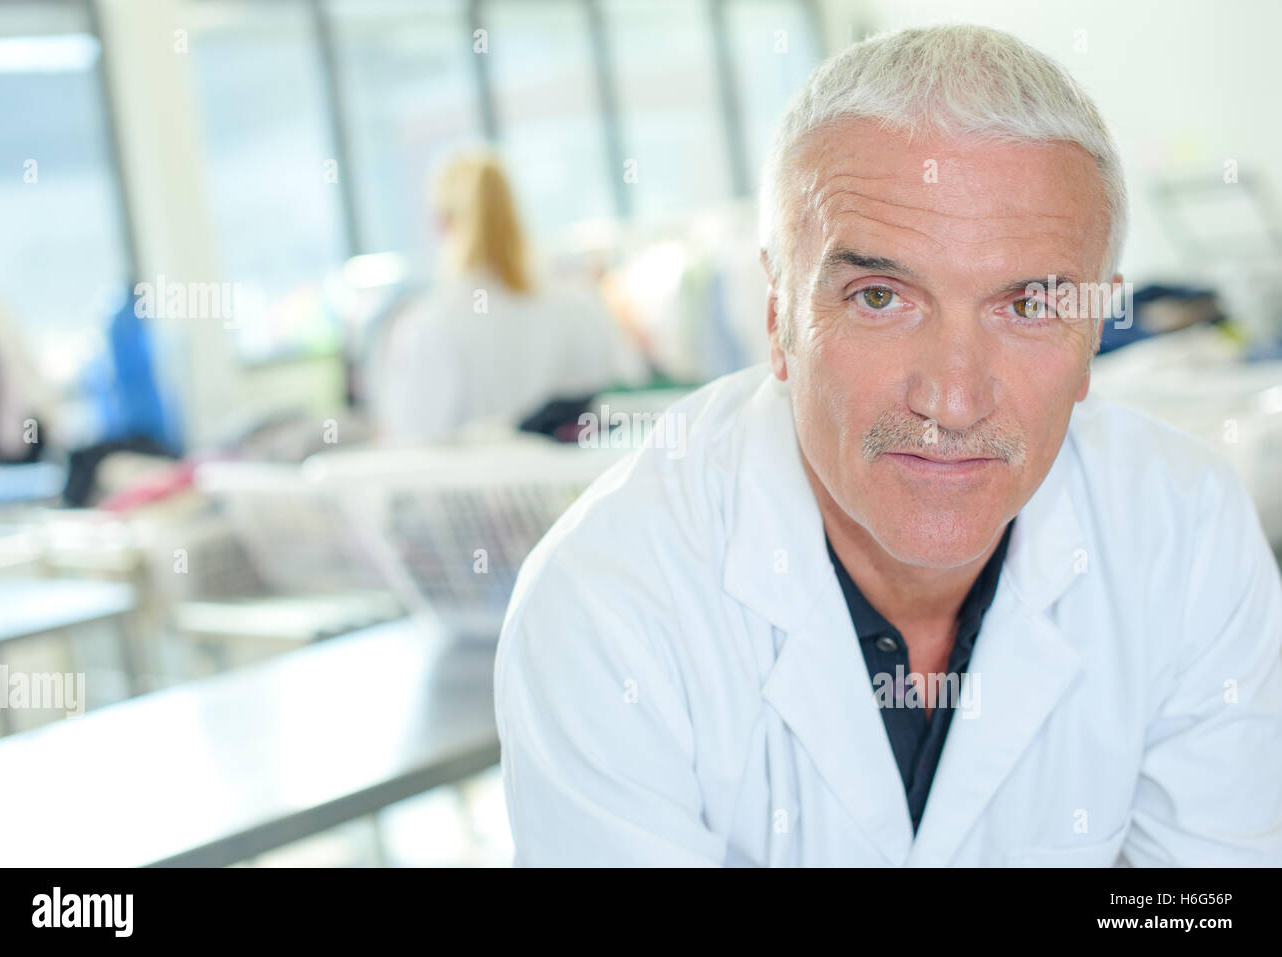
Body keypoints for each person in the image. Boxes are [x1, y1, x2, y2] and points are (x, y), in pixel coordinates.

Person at [493, 25, 1282, 866]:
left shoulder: (1185, 530)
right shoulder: (610, 603)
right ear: (778, 314)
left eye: (1028, 306)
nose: (953, 397)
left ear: (1095, 327)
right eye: (879, 297)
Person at [370, 149, 646, 443]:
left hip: (474, 487)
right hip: (584, 483)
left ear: (442, 223)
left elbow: (413, 442)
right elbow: (626, 387)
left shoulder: (427, 326)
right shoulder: (579, 302)